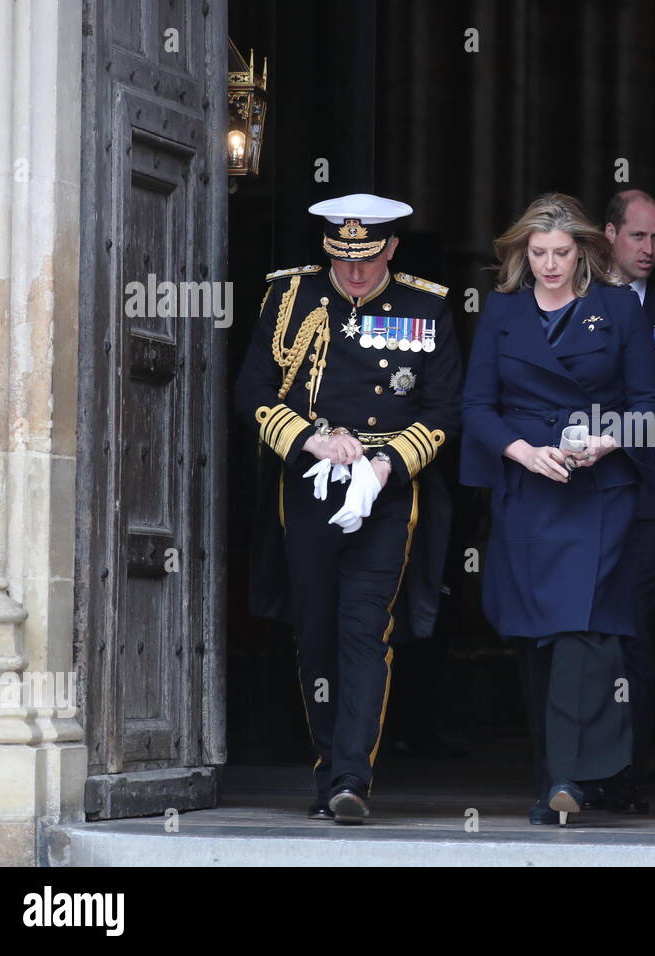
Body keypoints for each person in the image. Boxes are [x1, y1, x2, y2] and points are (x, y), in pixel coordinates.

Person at [235, 193, 462, 824]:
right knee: (317, 632)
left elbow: (444, 412)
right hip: (307, 487)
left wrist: (386, 462)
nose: (354, 272)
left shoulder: (428, 306)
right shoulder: (288, 298)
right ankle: (326, 766)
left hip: (386, 493)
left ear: (392, 248)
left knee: (366, 628)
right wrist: (310, 438)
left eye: (367, 258)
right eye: (341, 257)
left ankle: (350, 778)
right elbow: (251, 391)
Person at [460, 193, 655, 825]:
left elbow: (648, 403)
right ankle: (553, 775)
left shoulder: (616, 310)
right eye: (539, 253)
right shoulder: (500, 311)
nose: (550, 265)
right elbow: (475, 407)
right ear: (524, 252)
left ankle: (573, 777)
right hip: (528, 492)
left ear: (584, 250)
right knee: (535, 637)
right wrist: (520, 453)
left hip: (597, 494)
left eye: (562, 253)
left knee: (583, 629)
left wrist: (609, 440)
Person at [601, 188, 655, 812]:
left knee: (637, 633)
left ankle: (629, 767)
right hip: (582, 491)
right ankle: (579, 764)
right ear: (609, 234)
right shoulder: (578, 299)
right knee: (582, 631)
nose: (650, 249)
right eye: (638, 236)